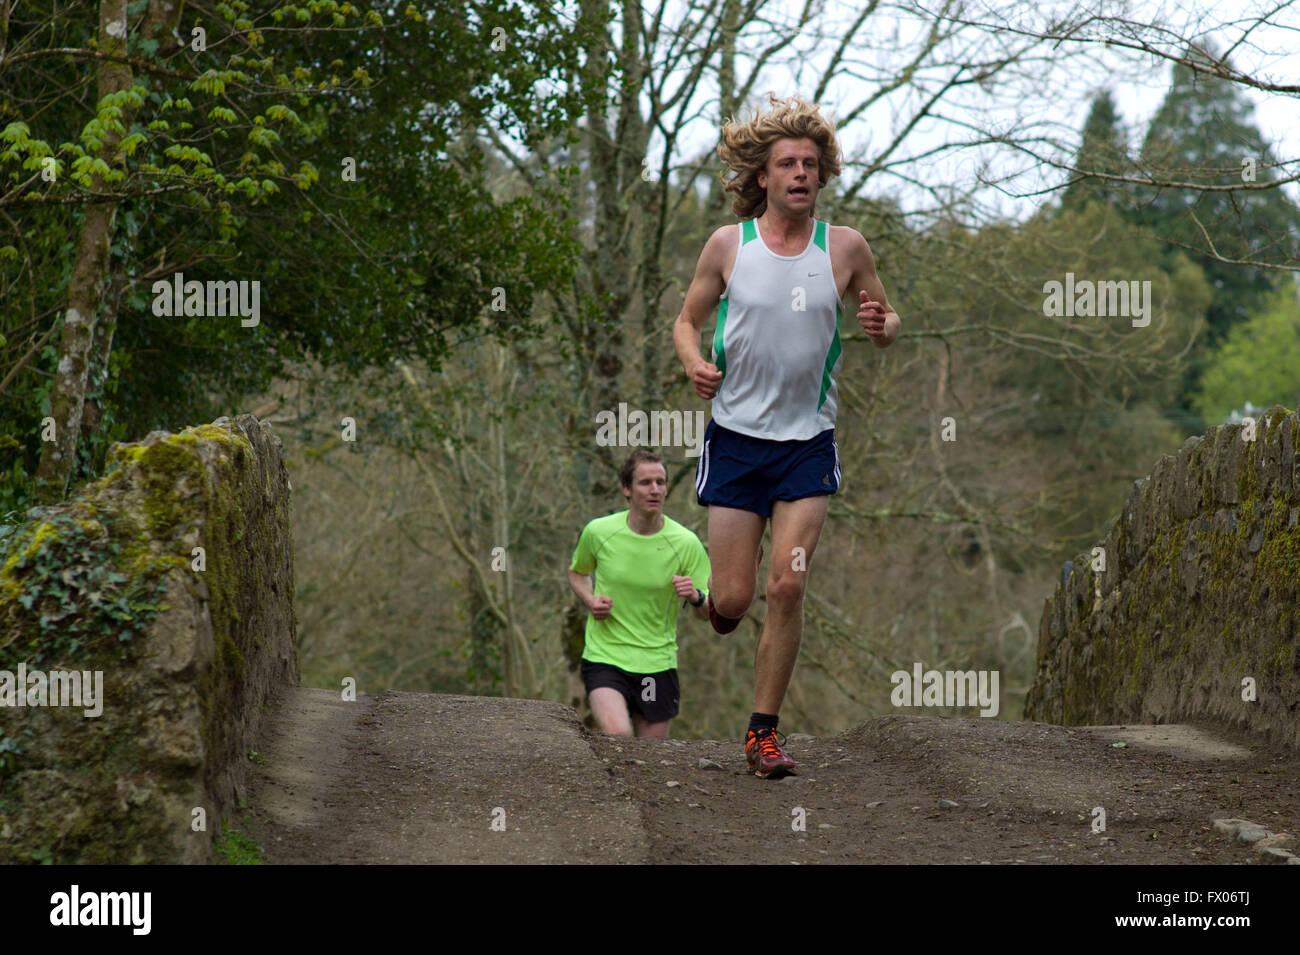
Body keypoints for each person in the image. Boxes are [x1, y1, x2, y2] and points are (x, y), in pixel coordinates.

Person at [672, 93, 900, 778]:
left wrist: (879, 326)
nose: (800, 173)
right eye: (787, 164)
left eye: (810, 164)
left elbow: (889, 322)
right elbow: (686, 321)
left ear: (822, 175)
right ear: (764, 177)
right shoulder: (728, 245)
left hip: (807, 443)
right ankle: (716, 607)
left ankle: (762, 732)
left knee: (788, 587)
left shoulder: (846, 247)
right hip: (737, 440)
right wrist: (694, 364)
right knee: (736, 597)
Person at [567, 450, 711, 738]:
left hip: (657, 663)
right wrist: (591, 600)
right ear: (627, 489)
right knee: (618, 735)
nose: (655, 489)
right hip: (606, 656)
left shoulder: (686, 543)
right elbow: (577, 572)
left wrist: (696, 596)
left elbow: (709, 613)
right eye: (645, 482)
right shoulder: (599, 532)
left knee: (651, 760)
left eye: (661, 482)